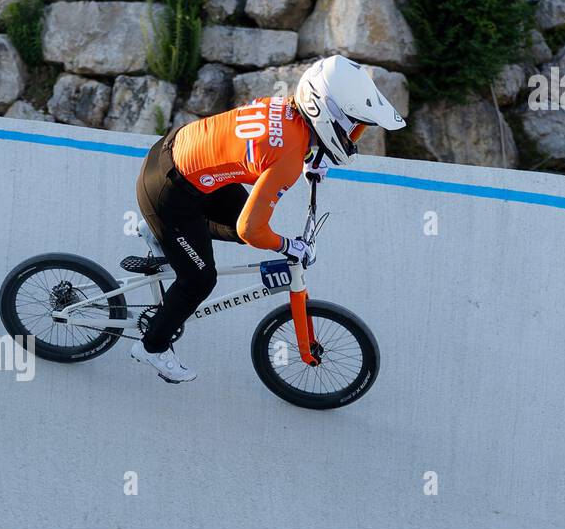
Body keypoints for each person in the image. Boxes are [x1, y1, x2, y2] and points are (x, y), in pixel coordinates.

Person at [129, 57, 406, 382]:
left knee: (238, 223)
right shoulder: (288, 157)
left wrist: (311, 159)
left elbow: (270, 146)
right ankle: (152, 346)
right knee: (200, 280)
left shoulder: (287, 110)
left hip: (174, 158)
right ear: (327, 113)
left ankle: (162, 232)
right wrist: (290, 247)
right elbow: (253, 230)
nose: (354, 137)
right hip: (167, 191)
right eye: (354, 126)